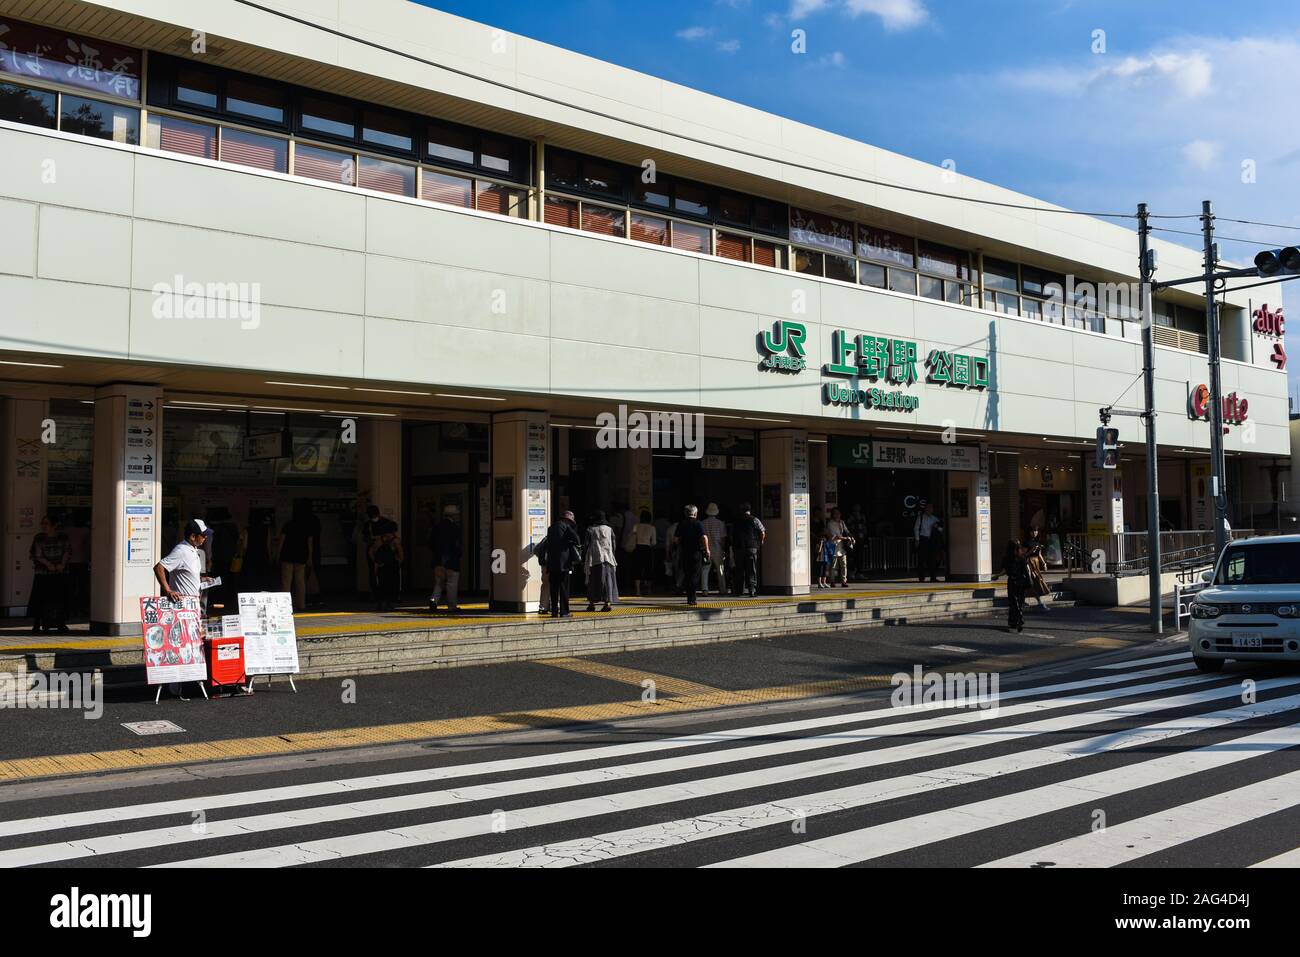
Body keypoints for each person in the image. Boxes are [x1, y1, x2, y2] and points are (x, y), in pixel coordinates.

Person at [154, 519, 213, 604]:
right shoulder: (181, 550)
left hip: (192, 604)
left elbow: (186, 574)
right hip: (181, 605)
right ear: (193, 536)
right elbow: (159, 568)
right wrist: (168, 591)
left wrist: (202, 579)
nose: (205, 537)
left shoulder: (193, 549)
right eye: (203, 535)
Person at [28, 515, 70, 634]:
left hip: (60, 572)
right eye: (42, 523)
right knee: (40, 598)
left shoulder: (63, 537)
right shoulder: (39, 538)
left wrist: (62, 564)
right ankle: (37, 624)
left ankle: (60, 623)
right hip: (42, 573)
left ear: (54, 525)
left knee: (59, 598)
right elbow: (36, 554)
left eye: (46, 523)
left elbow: (67, 551)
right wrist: (49, 564)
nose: (43, 526)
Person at [536, 511, 581, 617]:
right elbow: (577, 539)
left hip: (551, 563)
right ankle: (564, 612)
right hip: (564, 563)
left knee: (554, 588)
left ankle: (555, 611)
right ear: (568, 520)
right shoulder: (566, 527)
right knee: (564, 588)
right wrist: (569, 542)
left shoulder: (551, 528)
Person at [278, 502, 316, 612]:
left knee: (286, 582)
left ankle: (285, 606)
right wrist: (310, 558)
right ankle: (301, 604)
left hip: (287, 556)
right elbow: (310, 543)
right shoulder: (307, 527)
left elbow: (282, 541)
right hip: (301, 556)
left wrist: (278, 554)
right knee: (300, 582)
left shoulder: (288, 525)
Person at [428, 504, 464, 613]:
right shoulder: (455, 528)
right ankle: (452, 606)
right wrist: (458, 554)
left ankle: (433, 600)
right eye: (457, 514)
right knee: (451, 584)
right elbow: (456, 545)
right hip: (451, 561)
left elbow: (431, 543)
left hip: (438, 560)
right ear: (454, 515)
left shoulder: (437, 527)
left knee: (439, 582)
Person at [583, 511, 619, 612]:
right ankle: (607, 603)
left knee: (593, 581)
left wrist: (583, 558)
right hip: (608, 559)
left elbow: (586, 545)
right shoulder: (610, 529)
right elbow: (614, 544)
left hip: (594, 559)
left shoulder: (590, 529)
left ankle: (592, 604)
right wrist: (612, 555)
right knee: (608, 581)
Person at [674, 505, 709, 606]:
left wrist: (681, 543)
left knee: (687, 574)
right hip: (696, 553)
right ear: (695, 513)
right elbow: (704, 537)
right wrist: (707, 550)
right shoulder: (698, 524)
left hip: (684, 553)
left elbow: (675, 539)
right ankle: (692, 599)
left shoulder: (681, 524)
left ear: (685, 513)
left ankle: (689, 598)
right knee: (695, 575)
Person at [731, 502, 766, 597]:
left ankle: (739, 591)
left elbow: (731, 534)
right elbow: (762, 531)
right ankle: (752, 590)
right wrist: (760, 541)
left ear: (741, 510)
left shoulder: (736, 521)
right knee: (751, 569)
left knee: (739, 570)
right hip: (751, 548)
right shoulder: (755, 519)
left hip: (738, 548)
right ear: (749, 510)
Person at [368, 520, 403, 612]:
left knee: (381, 584)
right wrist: (399, 561)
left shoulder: (379, 540)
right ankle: (389, 603)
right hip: (392, 566)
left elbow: (371, 552)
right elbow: (401, 553)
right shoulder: (395, 540)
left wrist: (376, 561)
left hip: (381, 566)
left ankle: (380, 603)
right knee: (392, 585)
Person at [1003, 540, 1031, 633]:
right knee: (1019, 601)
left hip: (1012, 581)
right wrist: (1028, 582)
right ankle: (1017, 620)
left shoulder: (1006, 559)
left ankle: (1016, 620)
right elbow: (1026, 572)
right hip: (1021, 582)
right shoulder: (1022, 558)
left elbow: (1006, 571)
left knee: (1013, 602)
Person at [700, 503, 727, 596]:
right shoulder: (720, 523)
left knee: (705, 569)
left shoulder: (702, 523)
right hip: (717, 549)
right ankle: (722, 589)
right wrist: (723, 549)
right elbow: (723, 538)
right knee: (720, 569)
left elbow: (701, 537)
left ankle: (705, 589)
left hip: (706, 548)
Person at [915, 502, 943, 583]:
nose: (930, 510)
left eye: (931, 508)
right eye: (928, 508)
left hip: (931, 540)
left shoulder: (934, 518)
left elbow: (941, 529)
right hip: (923, 539)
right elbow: (916, 528)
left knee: (932, 559)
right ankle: (921, 578)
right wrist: (917, 539)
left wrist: (937, 527)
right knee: (921, 559)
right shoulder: (920, 517)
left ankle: (933, 577)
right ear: (925, 509)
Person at [630, 509, 657, 597]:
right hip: (647, 548)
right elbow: (654, 542)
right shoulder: (652, 528)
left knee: (637, 568)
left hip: (637, 548)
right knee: (648, 568)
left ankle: (638, 591)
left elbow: (633, 537)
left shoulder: (636, 526)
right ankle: (648, 590)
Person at [1024, 529, 1051, 612]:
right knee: (1032, 581)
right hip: (1029, 563)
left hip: (1036, 564)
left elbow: (1039, 555)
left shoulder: (1037, 542)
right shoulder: (1026, 543)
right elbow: (1024, 555)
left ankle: (1034, 600)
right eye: (1032, 531)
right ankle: (1038, 601)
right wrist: (1031, 550)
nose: (1034, 533)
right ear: (1029, 532)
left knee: (1037, 581)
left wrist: (1044, 564)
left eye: (1036, 531)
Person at [825, 507, 852, 588]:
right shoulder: (830, 523)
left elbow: (847, 531)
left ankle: (844, 581)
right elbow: (834, 536)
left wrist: (851, 537)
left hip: (842, 546)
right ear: (832, 515)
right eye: (835, 513)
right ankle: (832, 581)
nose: (837, 515)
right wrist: (846, 538)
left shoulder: (842, 522)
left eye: (838, 513)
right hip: (833, 546)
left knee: (844, 565)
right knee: (833, 565)